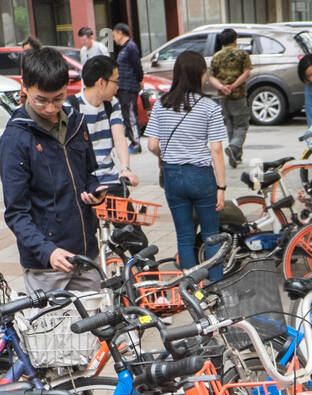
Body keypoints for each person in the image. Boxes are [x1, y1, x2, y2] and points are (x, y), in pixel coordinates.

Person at [0, 43, 105, 297]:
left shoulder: (77, 123)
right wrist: (48, 251)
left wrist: (93, 191)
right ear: (25, 88)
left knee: (95, 332)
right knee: (52, 335)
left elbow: (87, 174)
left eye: (58, 99)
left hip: (86, 254)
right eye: (41, 100)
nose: (50, 108)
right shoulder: (15, 139)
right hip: (47, 267)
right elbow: (16, 213)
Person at [143, 50, 227, 282]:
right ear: (199, 74)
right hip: (201, 177)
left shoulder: (161, 105)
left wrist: (168, 154)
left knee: (184, 236)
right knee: (211, 234)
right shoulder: (209, 107)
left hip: (172, 176)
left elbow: (151, 145)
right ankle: (217, 287)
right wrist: (221, 186)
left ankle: (192, 290)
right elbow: (216, 150)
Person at [74, 54, 138, 197]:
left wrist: (125, 168)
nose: (117, 87)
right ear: (101, 83)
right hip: (84, 183)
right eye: (115, 81)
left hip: (110, 178)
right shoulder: (73, 107)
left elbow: (119, 137)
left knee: (126, 217)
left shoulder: (112, 104)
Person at [206, 28, 252, 168]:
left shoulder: (217, 56)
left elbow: (211, 77)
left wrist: (222, 87)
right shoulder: (243, 54)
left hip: (222, 96)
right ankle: (233, 147)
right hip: (238, 95)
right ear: (235, 39)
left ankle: (236, 156)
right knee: (242, 125)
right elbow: (247, 73)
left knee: (230, 124)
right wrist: (233, 86)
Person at [112, 23, 143, 152]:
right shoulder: (124, 48)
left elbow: (137, 66)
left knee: (130, 114)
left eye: (114, 35)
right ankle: (132, 141)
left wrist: (139, 80)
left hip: (130, 87)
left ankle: (136, 143)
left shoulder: (131, 47)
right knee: (126, 114)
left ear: (120, 33)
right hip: (123, 87)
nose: (114, 38)